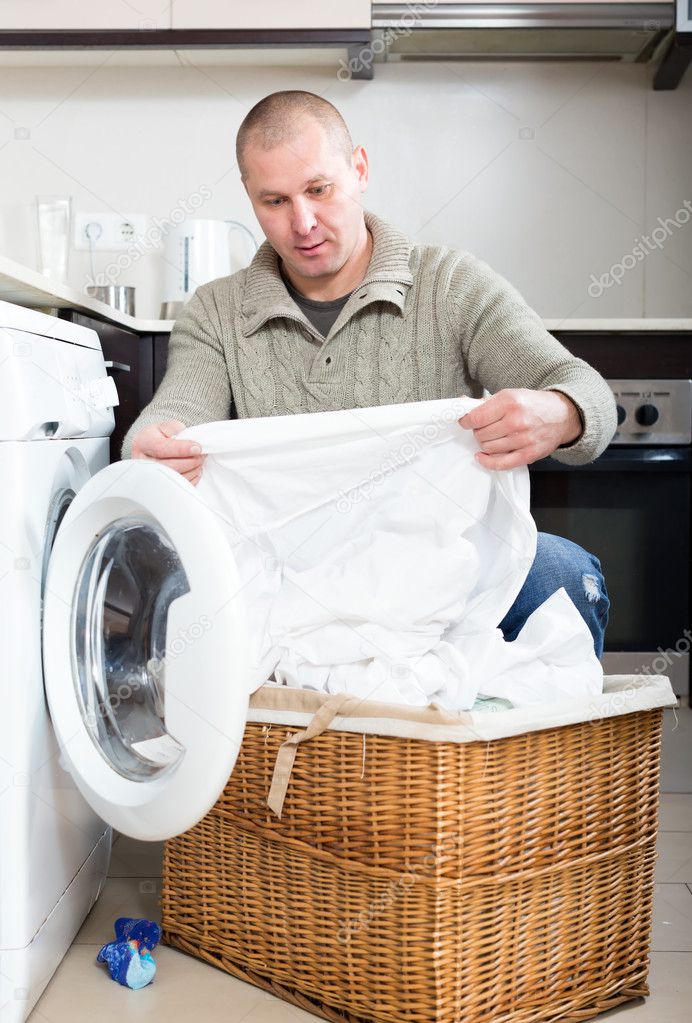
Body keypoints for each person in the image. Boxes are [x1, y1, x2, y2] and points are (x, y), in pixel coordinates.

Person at [122, 90, 615, 656]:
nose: (302, 222)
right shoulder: (215, 311)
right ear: (250, 198)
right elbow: (175, 413)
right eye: (275, 201)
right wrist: (147, 449)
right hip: (286, 576)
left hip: (437, 569)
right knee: (168, 590)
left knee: (563, 571)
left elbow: (585, 391)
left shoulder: (452, 284)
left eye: (318, 189)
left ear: (359, 168)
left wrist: (562, 414)